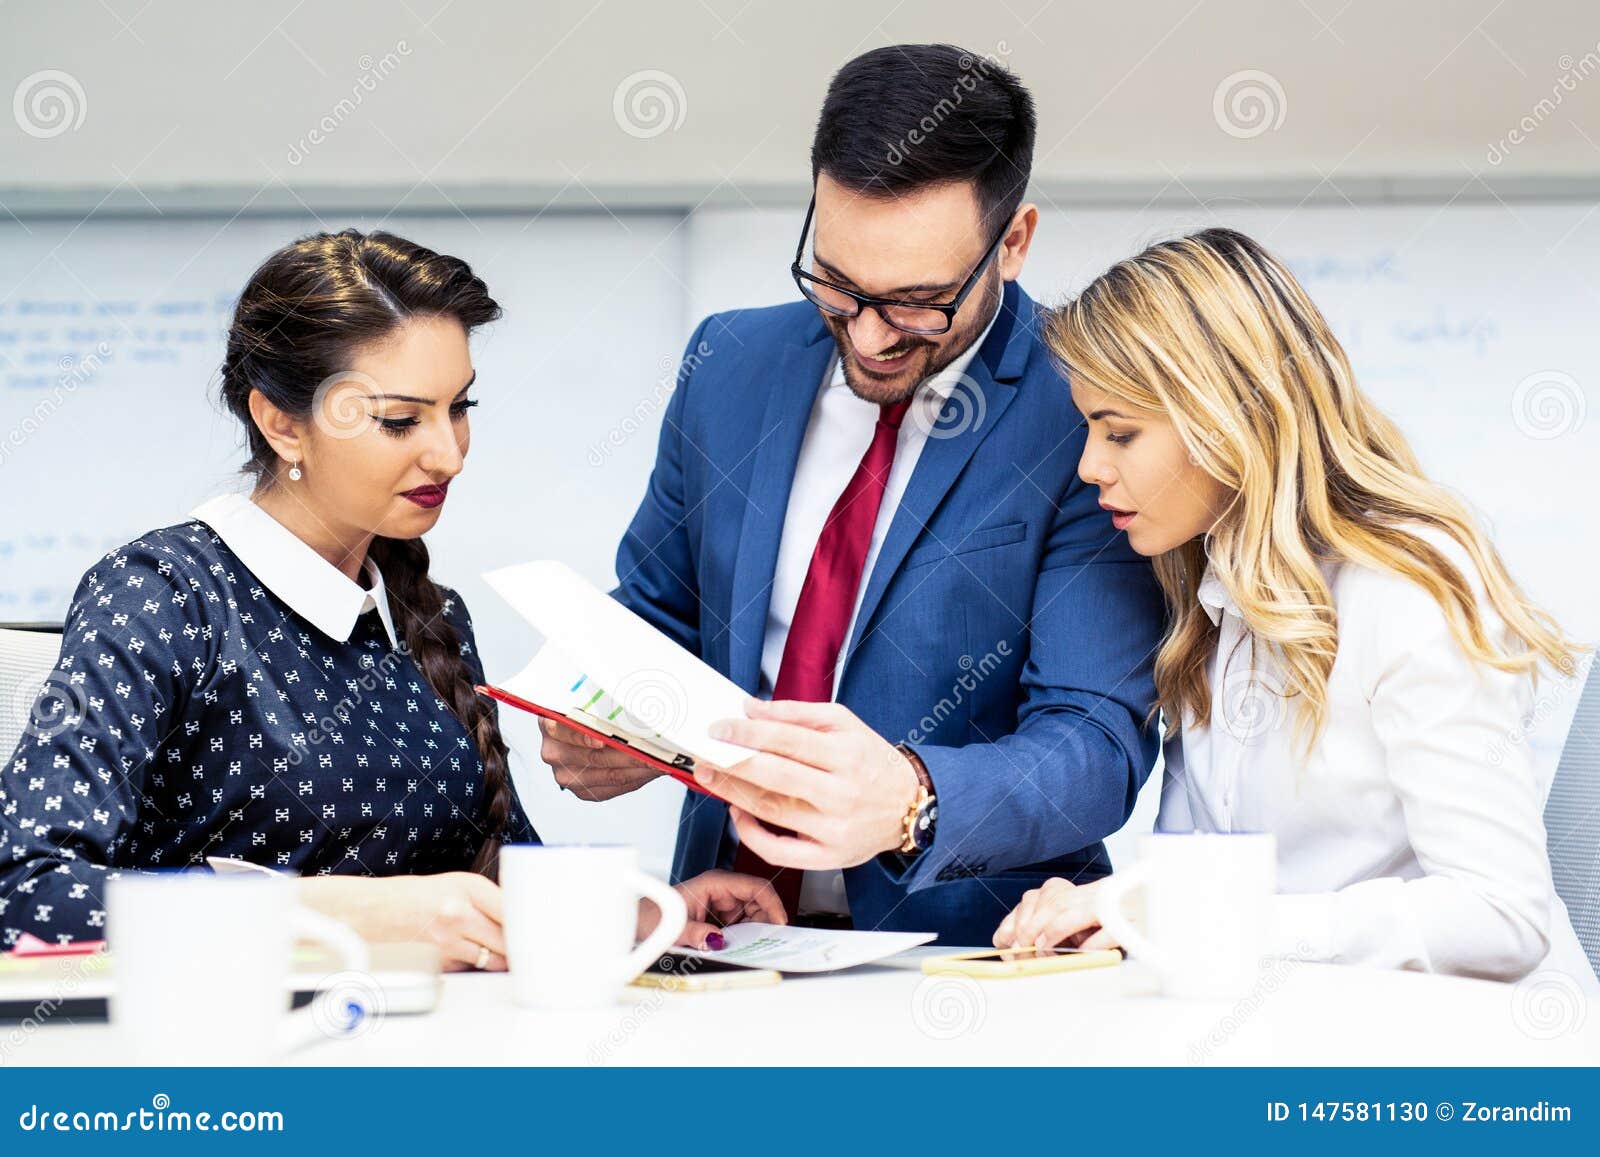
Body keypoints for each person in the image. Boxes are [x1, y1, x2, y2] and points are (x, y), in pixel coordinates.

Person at [0, 230, 782, 967]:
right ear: (280, 421)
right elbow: (27, 894)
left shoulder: (431, 616)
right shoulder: (163, 596)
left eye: (461, 407)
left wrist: (650, 915)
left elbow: (495, 882)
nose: (449, 452)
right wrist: (352, 916)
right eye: (401, 419)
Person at [540, 44, 1166, 944]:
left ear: (1015, 242)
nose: (869, 337)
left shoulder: (1084, 407)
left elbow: (1094, 740)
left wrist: (913, 798)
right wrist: (601, 712)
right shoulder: (730, 365)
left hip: (973, 960)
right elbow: (661, 612)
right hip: (724, 930)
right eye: (836, 284)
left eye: (917, 301)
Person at [993, 227, 1594, 986]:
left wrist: (1182, 915)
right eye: (1088, 428)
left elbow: (1501, 917)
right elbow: (1205, 883)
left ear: (1225, 417)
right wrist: (1111, 913)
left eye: (1121, 432)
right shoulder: (1212, 600)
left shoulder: (1406, 589)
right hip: (1304, 1030)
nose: (1088, 466)